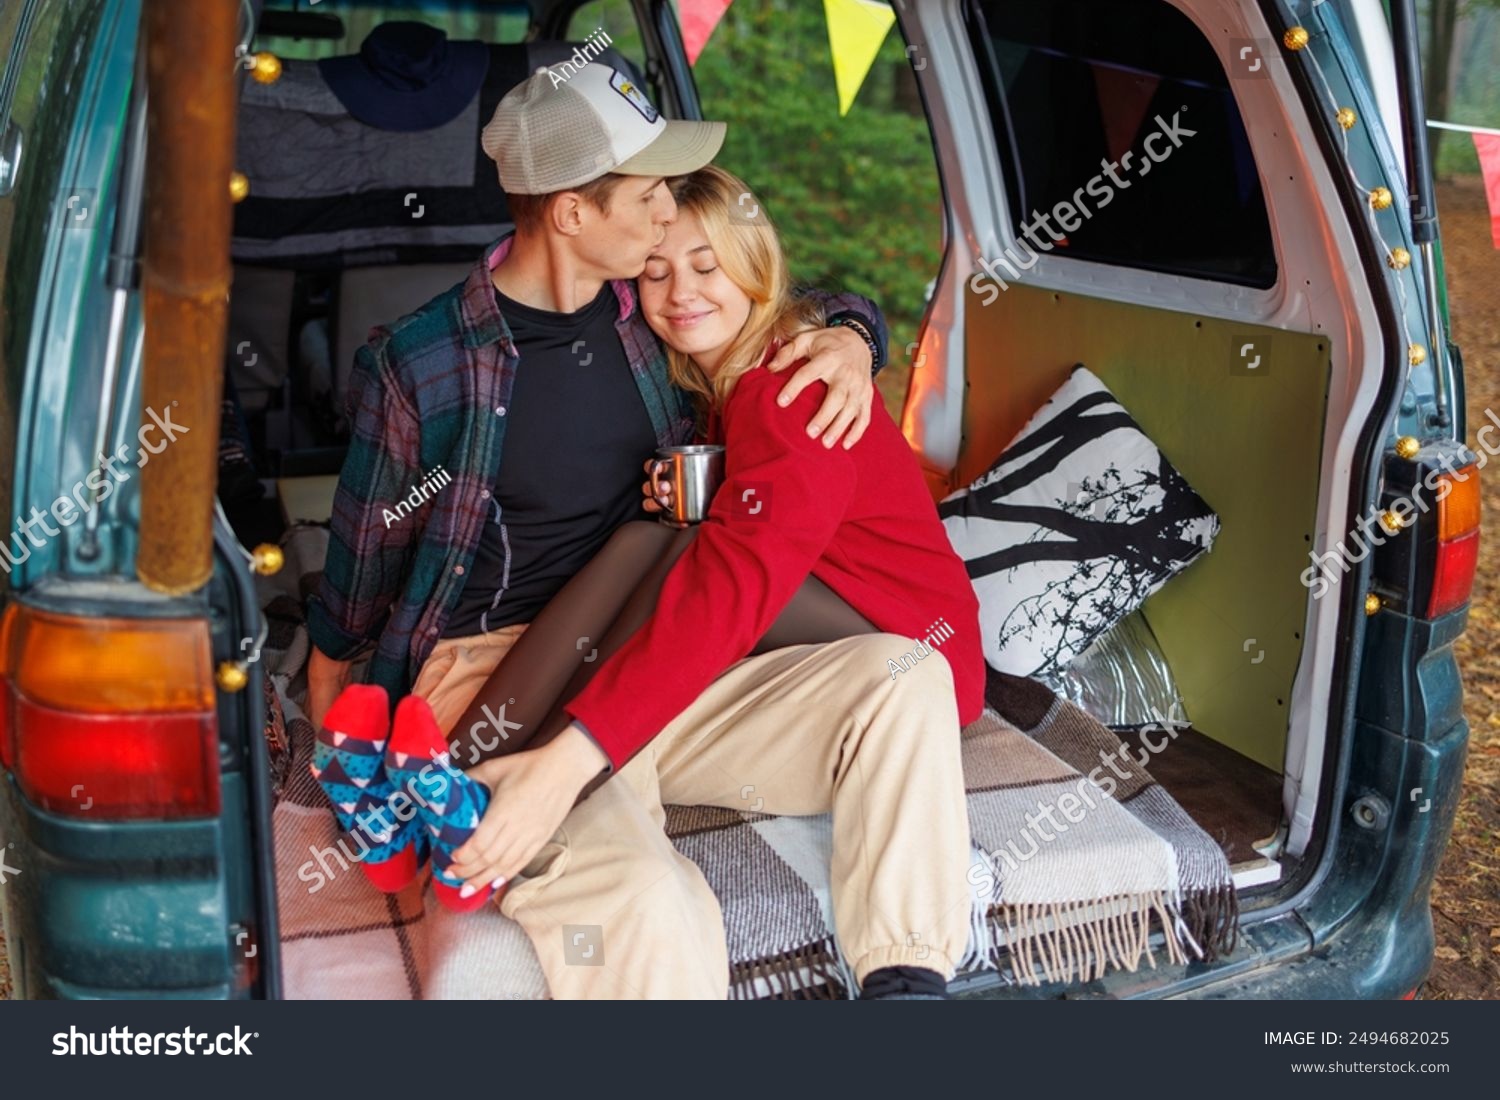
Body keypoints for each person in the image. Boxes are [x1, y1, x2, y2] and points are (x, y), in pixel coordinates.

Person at [349, 163, 986, 1000]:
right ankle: (444, 793)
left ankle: (905, 986)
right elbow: (367, 553)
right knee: (649, 888)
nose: (679, 291)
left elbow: (740, 580)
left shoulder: (789, 384)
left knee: (693, 562)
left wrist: (849, 337)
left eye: (705, 265)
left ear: (752, 265)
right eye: (656, 269)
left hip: (835, 643)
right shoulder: (619, 356)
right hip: (722, 661)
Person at [305, 61, 888, 730]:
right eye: (648, 196)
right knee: (583, 827)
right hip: (484, 658)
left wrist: (853, 339)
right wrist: (331, 668)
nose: (667, 212)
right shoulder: (421, 363)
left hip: (641, 636)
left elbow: (782, 303)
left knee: (878, 691)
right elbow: (369, 545)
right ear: (574, 212)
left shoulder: (656, 313)